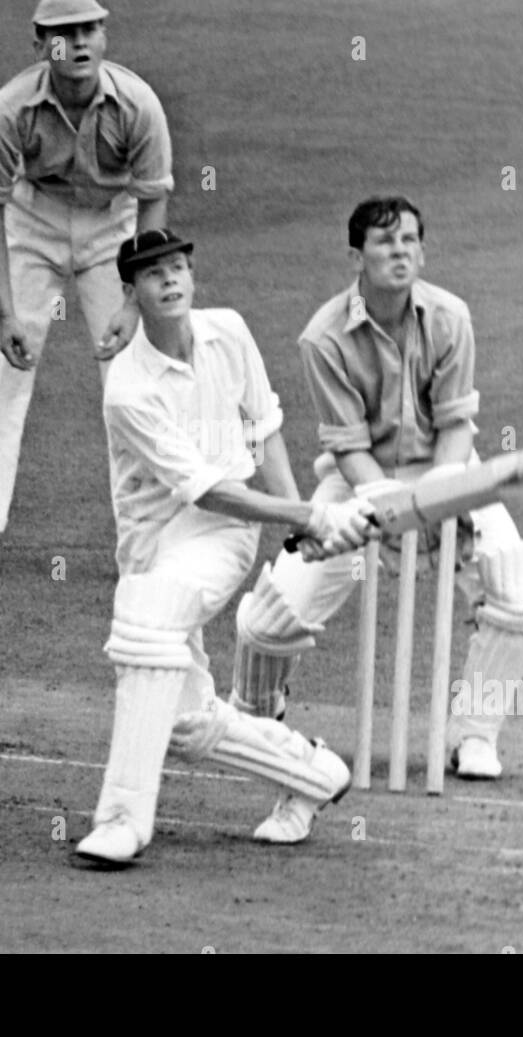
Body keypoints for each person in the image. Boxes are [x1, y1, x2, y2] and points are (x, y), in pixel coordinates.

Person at [76, 229, 378, 867]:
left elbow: (262, 429)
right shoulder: (128, 389)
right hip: (159, 539)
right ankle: (316, 775)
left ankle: (122, 820)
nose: (172, 281)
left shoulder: (230, 332)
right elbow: (206, 488)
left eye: (180, 268)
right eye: (155, 275)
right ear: (131, 293)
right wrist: (311, 512)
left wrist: (302, 526)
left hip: (222, 536)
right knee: (184, 720)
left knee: (149, 626)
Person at [229, 196, 523, 780]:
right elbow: (348, 446)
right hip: (356, 480)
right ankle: (254, 722)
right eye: (384, 243)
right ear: (357, 256)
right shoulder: (323, 337)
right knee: (268, 622)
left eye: (409, 241)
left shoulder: (451, 316)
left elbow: (457, 424)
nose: (399, 252)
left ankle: (474, 734)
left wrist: (440, 493)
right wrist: (389, 506)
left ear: (423, 252)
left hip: (447, 466)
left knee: (521, 598)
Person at [0, 0, 173, 574]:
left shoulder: (139, 104)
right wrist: (7, 314)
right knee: (1, 363)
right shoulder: (7, 111)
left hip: (116, 227)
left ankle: (149, 536)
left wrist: (135, 303)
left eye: (90, 31)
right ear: (41, 45)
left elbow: (154, 199)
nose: (78, 43)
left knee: (134, 376)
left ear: (104, 38)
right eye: (64, 33)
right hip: (33, 220)